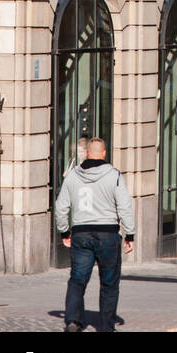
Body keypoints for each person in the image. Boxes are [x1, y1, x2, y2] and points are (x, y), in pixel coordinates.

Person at [54, 136, 134, 334]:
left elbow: (61, 207)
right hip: (108, 234)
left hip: (81, 233)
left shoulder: (73, 176)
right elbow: (124, 206)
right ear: (105, 153)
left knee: (77, 279)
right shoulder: (114, 175)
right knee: (109, 283)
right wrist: (130, 233)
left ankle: (73, 320)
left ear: (87, 154)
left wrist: (64, 231)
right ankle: (106, 326)